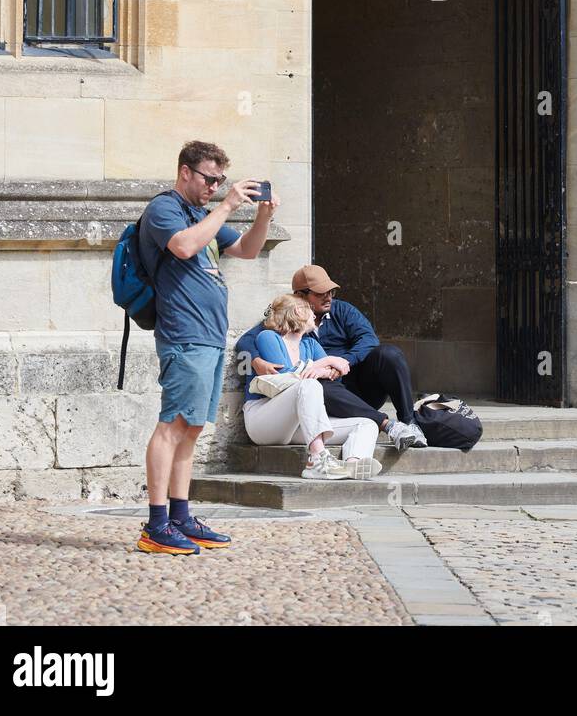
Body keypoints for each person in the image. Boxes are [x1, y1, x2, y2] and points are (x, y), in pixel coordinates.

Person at [136, 140, 279, 555]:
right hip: (184, 334)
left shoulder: (205, 214)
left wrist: (264, 218)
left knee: (192, 428)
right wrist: (228, 206)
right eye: (209, 179)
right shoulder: (165, 209)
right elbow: (182, 246)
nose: (215, 187)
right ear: (185, 172)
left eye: (221, 181)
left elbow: (248, 250)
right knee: (173, 425)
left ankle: (180, 517)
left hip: (211, 337)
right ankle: (156, 524)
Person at [245, 265, 427, 450]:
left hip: (356, 387)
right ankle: (387, 426)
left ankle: (409, 423)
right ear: (300, 295)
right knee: (315, 382)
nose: (328, 297)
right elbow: (247, 340)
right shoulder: (288, 318)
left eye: (331, 291)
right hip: (322, 394)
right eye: (320, 293)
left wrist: (343, 361)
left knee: (389, 355)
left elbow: (369, 339)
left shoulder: (342, 310)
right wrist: (256, 360)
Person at [236, 295, 382, 481]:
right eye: (310, 310)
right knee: (308, 384)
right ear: (298, 311)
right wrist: (328, 360)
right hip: (263, 419)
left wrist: (323, 368)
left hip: (298, 425)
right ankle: (317, 460)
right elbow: (288, 378)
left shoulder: (310, 344)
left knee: (367, 423)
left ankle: (353, 463)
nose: (315, 315)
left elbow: (331, 376)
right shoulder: (268, 337)